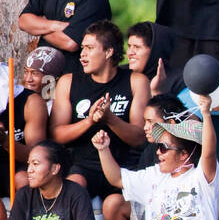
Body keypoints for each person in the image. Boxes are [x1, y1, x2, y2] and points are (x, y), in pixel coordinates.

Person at [97, 96, 219, 220]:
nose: (158, 153)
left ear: (184, 154)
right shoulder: (155, 175)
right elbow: (117, 179)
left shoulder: (201, 177)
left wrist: (206, 114)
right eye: (158, 147)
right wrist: (103, 150)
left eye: (163, 148)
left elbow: (209, 152)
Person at [50, 21, 149, 201]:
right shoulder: (68, 82)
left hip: (124, 166)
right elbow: (56, 135)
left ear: (109, 51)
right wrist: (89, 121)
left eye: (89, 48)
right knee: (71, 193)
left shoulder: (136, 81)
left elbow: (140, 138)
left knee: (114, 205)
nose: (82, 55)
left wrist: (110, 118)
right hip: (81, 165)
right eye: (82, 48)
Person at [99, 93, 188, 220]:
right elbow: (117, 178)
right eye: (160, 151)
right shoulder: (156, 171)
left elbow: (207, 145)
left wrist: (203, 110)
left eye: (150, 122)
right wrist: (103, 149)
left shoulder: (197, 164)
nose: (145, 127)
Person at [0, 47, 61, 189]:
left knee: (24, 178)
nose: (28, 79)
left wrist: (5, 141)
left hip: (19, 165)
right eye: (26, 72)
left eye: (36, 73)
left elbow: (36, 156)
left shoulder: (32, 103)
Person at [124, 21, 185, 96]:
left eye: (137, 47)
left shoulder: (179, 82)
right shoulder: (120, 75)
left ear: (155, 50)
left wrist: (157, 92)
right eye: (129, 46)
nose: (129, 53)